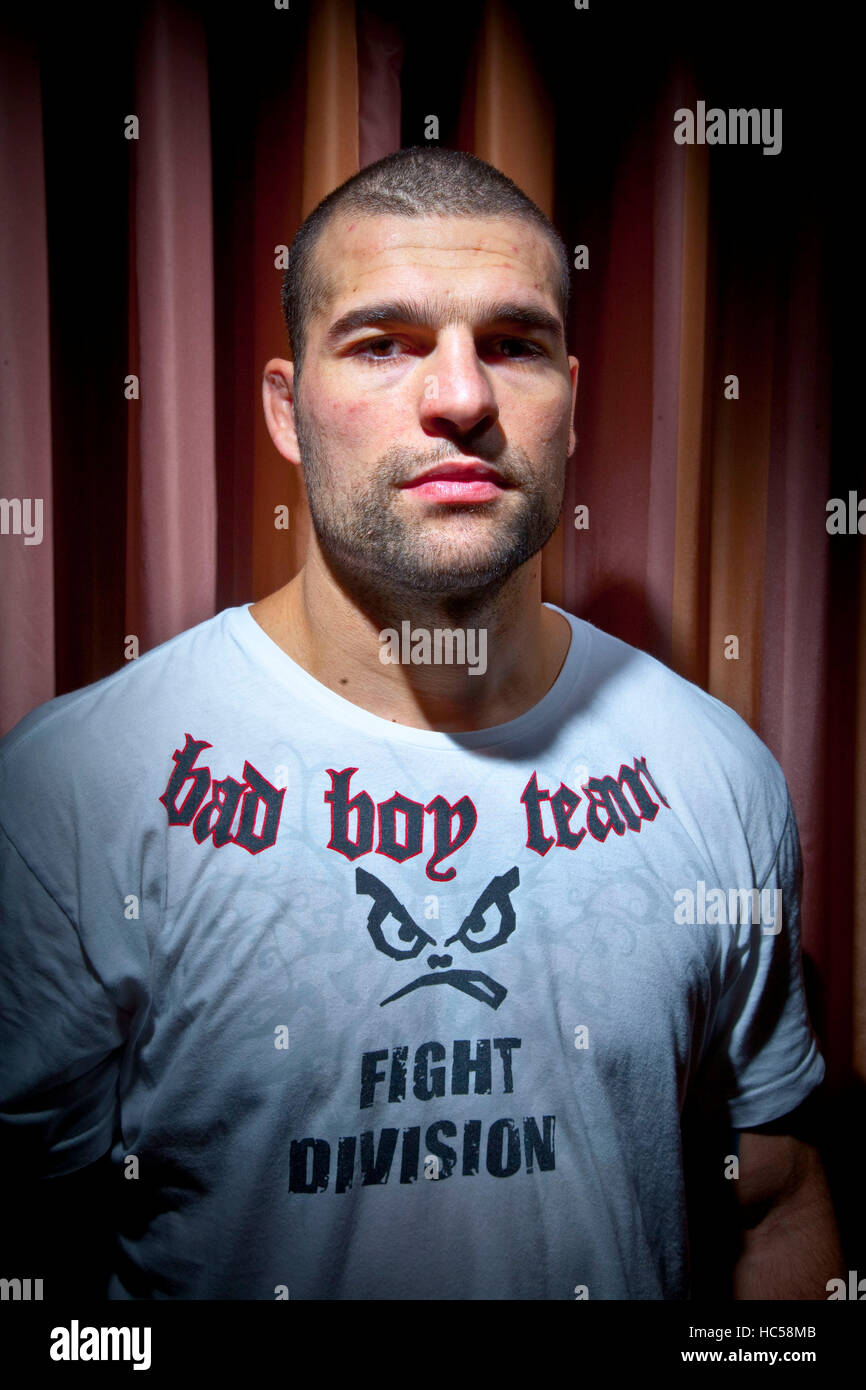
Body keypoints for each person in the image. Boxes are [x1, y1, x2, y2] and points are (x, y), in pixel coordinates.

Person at [0, 147, 843, 1301]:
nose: (459, 398)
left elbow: (773, 1195)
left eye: (512, 343)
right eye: (383, 342)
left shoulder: (714, 771)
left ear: (568, 405)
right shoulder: (73, 790)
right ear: (287, 411)